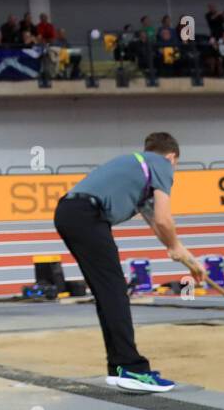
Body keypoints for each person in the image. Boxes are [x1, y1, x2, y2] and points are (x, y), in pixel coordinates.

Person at [53, 132, 205, 392]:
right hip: (86, 215)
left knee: (107, 293)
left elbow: (159, 228)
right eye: (176, 166)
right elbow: (164, 220)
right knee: (114, 292)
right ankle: (131, 368)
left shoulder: (139, 173)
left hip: (72, 213)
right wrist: (175, 245)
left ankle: (118, 367)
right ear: (171, 157)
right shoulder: (160, 165)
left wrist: (189, 262)